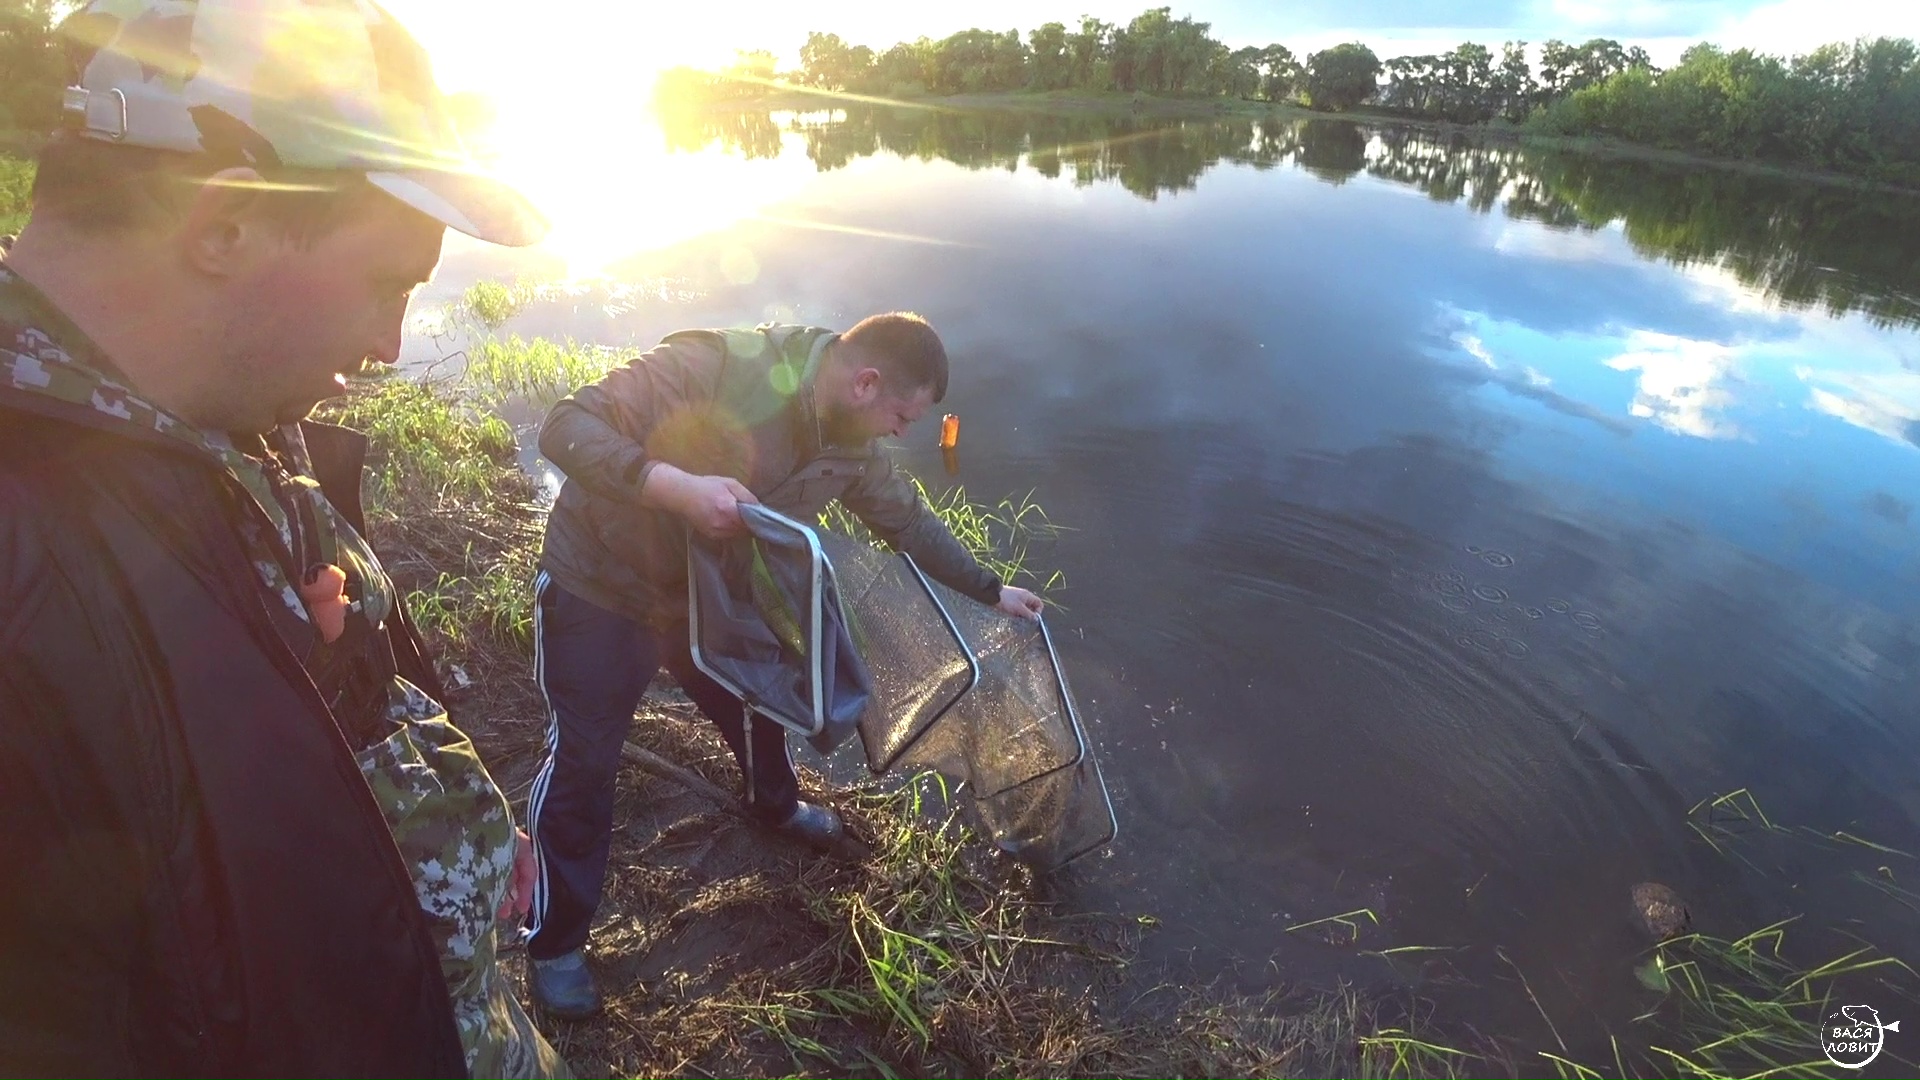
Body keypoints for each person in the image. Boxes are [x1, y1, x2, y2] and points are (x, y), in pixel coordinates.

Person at [0, 2, 567, 1077]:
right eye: (386, 282)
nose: (391, 344)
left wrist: (455, 825)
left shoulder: (217, 412)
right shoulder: (25, 581)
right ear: (224, 225)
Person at [523, 314, 1046, 1017]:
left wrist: (990, 589)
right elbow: (566, 424)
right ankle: (554, 945)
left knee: (758, 703)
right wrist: (673, 485)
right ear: (865, 383)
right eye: (901, 414)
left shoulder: (850, 447)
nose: (901, 432)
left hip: (703, 600)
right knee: (585, 762)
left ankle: (774, 805)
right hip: (600, 585)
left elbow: (910, 524)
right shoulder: (716, 362)